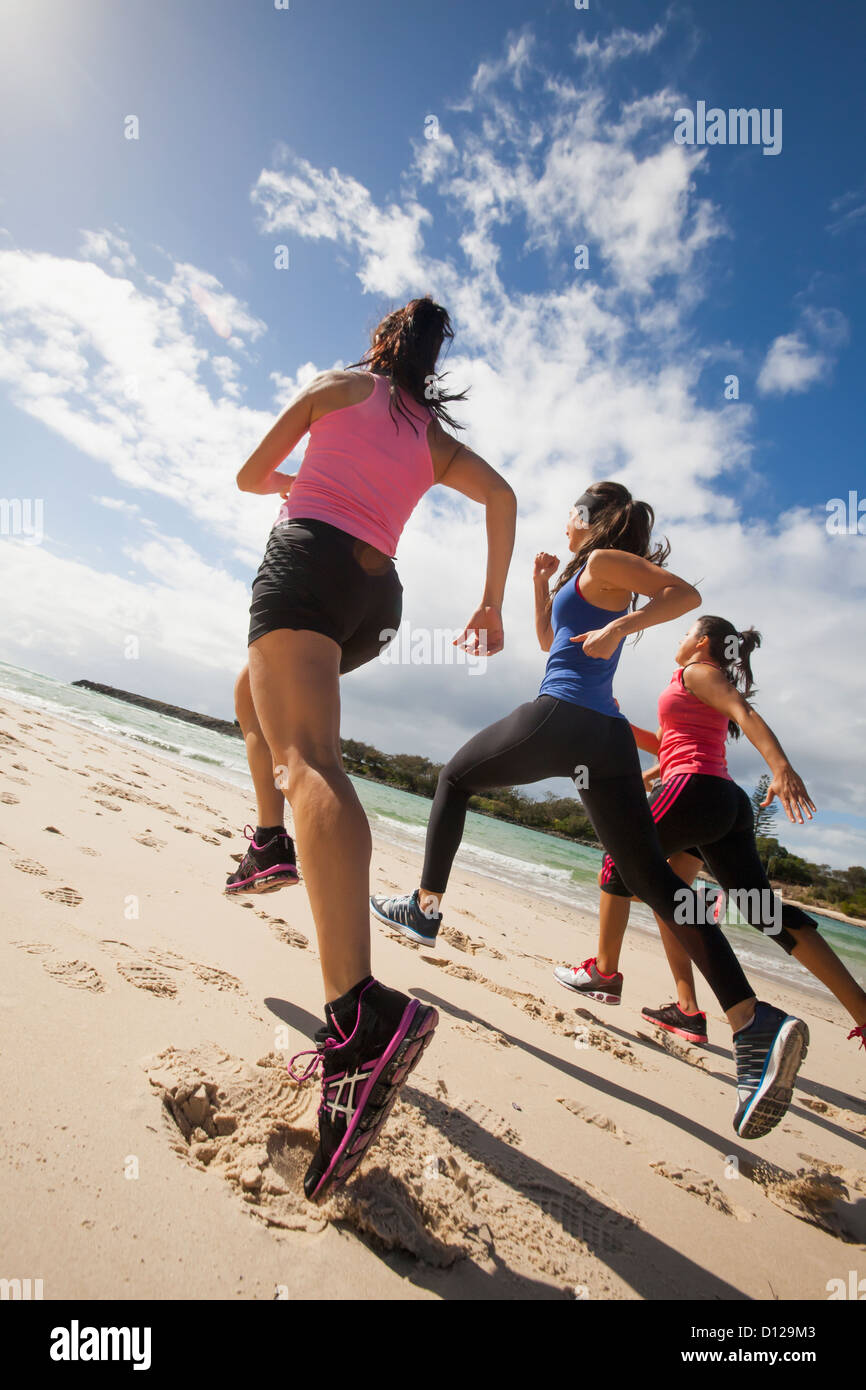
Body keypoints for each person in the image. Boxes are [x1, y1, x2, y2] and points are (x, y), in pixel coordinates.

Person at [371, 484, 810, 1139]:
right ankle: (753, 1023)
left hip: (566, 717)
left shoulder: (607, 565)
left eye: (573, 510)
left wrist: (621, 626)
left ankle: (425, 908)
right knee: (653, 880)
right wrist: (542, 585)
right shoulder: (584, 573)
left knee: (456, 778)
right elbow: (552, 638)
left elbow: (686, 597)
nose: (565, 520)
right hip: (601, 740)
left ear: (596, 520)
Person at [236, 295, 517, 1201]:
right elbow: (504, 496)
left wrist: (291, 489)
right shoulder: (432, 438)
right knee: (256, 698)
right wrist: (491, 601)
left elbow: (250, 475)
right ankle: (271, 839)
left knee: (309, 753)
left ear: (381, 341)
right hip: (377, 599)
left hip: (309, 560)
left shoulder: (338, 385)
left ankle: (357, 1012)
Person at [553, 616, 866, 1056]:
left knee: (617, 862)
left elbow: (745, 713)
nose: (678, 640)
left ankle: (605, 972)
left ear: (701, 642)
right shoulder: (692, 685)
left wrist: (781, 767)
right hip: (723, 804)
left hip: (694, 791)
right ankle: (859, 1011)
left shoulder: (697, 672)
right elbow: (668, 744)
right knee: (743, 908)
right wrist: (620, 722)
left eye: (685, 633)